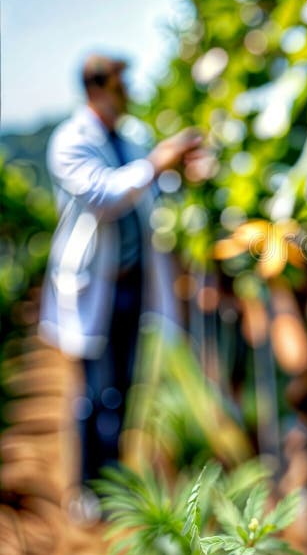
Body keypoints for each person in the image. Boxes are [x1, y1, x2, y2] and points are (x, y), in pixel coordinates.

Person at [39, 53, 202, 508]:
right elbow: (102, 195)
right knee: (94, 392)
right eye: (121, 84)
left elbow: (149, 186)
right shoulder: (70, 141)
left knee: (124, 387)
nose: (129, 93)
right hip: (95, 287)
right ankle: (88, 488)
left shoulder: (129, 138)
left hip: (131, 284)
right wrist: (157, 162)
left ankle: (112, 481)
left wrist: (179, 172)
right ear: (99, 87)